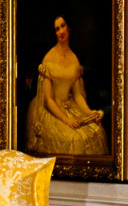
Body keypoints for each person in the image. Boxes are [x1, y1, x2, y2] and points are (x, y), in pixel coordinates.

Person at [25, 15, 110, 157]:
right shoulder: (49, 58)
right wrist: (67, 120)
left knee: (97, 131)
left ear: (69, 28)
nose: (61, 31)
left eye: (63, 26)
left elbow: (77, 95)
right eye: (57, 29)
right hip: (51, 111)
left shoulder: (74, 59)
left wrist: (90, 113)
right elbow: (48, 100)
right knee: (73, 139)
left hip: (70, 107)